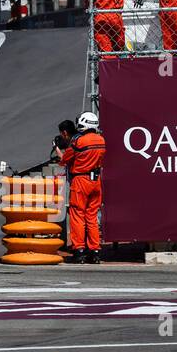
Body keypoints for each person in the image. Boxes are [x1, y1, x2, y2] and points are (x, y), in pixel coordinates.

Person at [53, 111, 105, 264]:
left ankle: (79, 250)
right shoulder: (101, 140)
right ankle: (95, 251)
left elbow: (65, 160)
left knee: (77, 215)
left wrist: (57, 150)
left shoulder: (79, 142)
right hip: (96, 181)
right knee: (92, 216)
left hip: (80, 180)